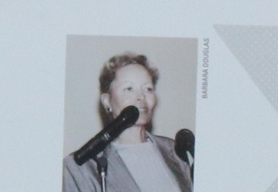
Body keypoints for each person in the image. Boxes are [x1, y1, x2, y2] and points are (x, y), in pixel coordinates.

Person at [62, 53, 193, 192]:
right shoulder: (81, 166)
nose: (141, 96)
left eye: (148, 89)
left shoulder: (174, 151)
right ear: (107, 101)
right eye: (129, 88)